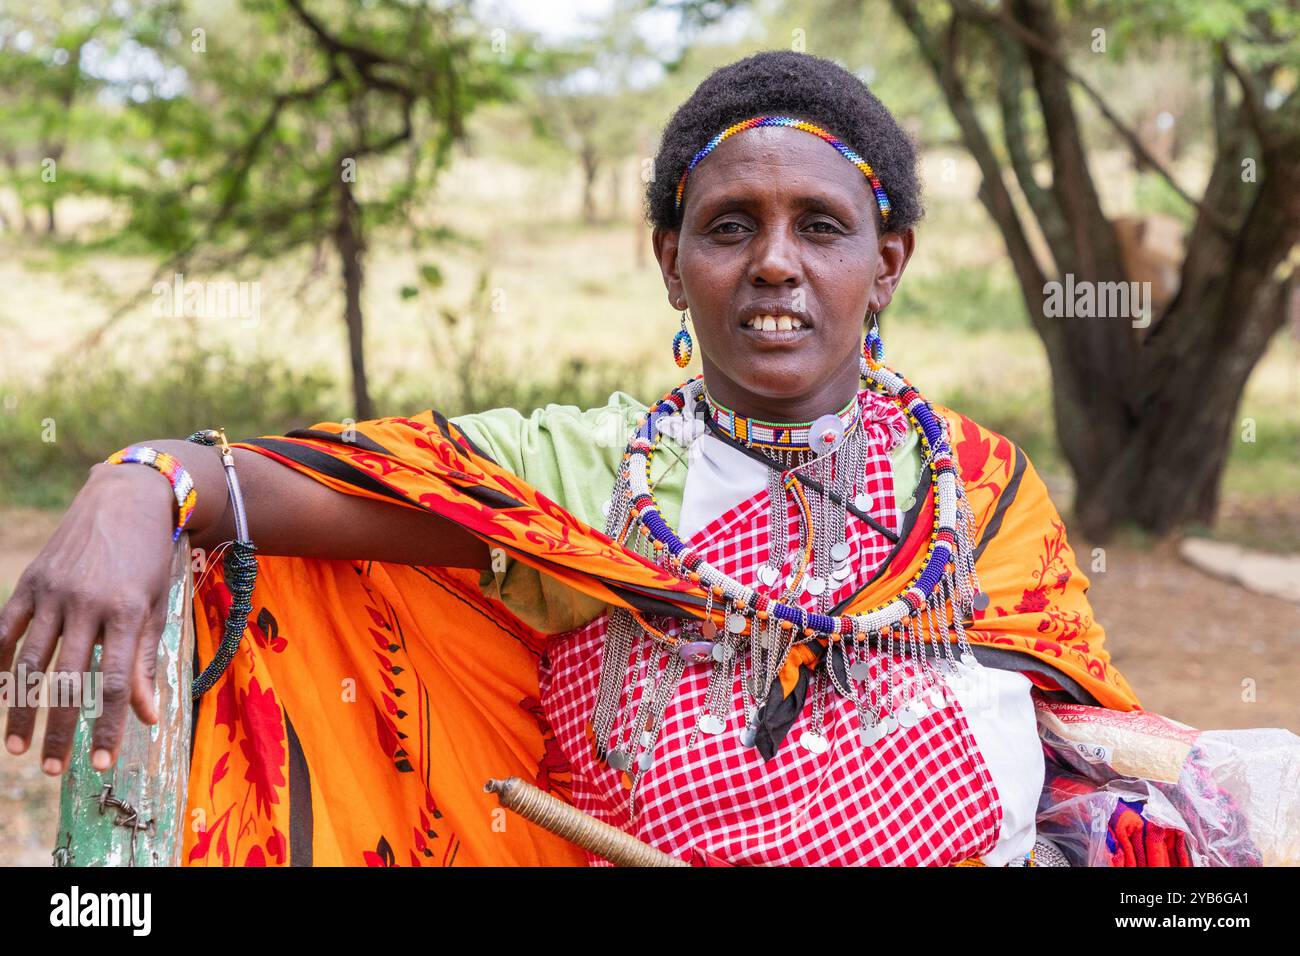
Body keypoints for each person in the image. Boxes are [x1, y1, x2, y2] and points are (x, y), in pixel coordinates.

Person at [0, 50, 1139, 867]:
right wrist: (136, 481)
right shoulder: (585, 473)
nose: (774, 264)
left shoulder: (977, 488)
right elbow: (289, 484)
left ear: (886, 261)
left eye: (822, 228)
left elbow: (1086, 745)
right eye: (730, 225)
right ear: (671, 257)